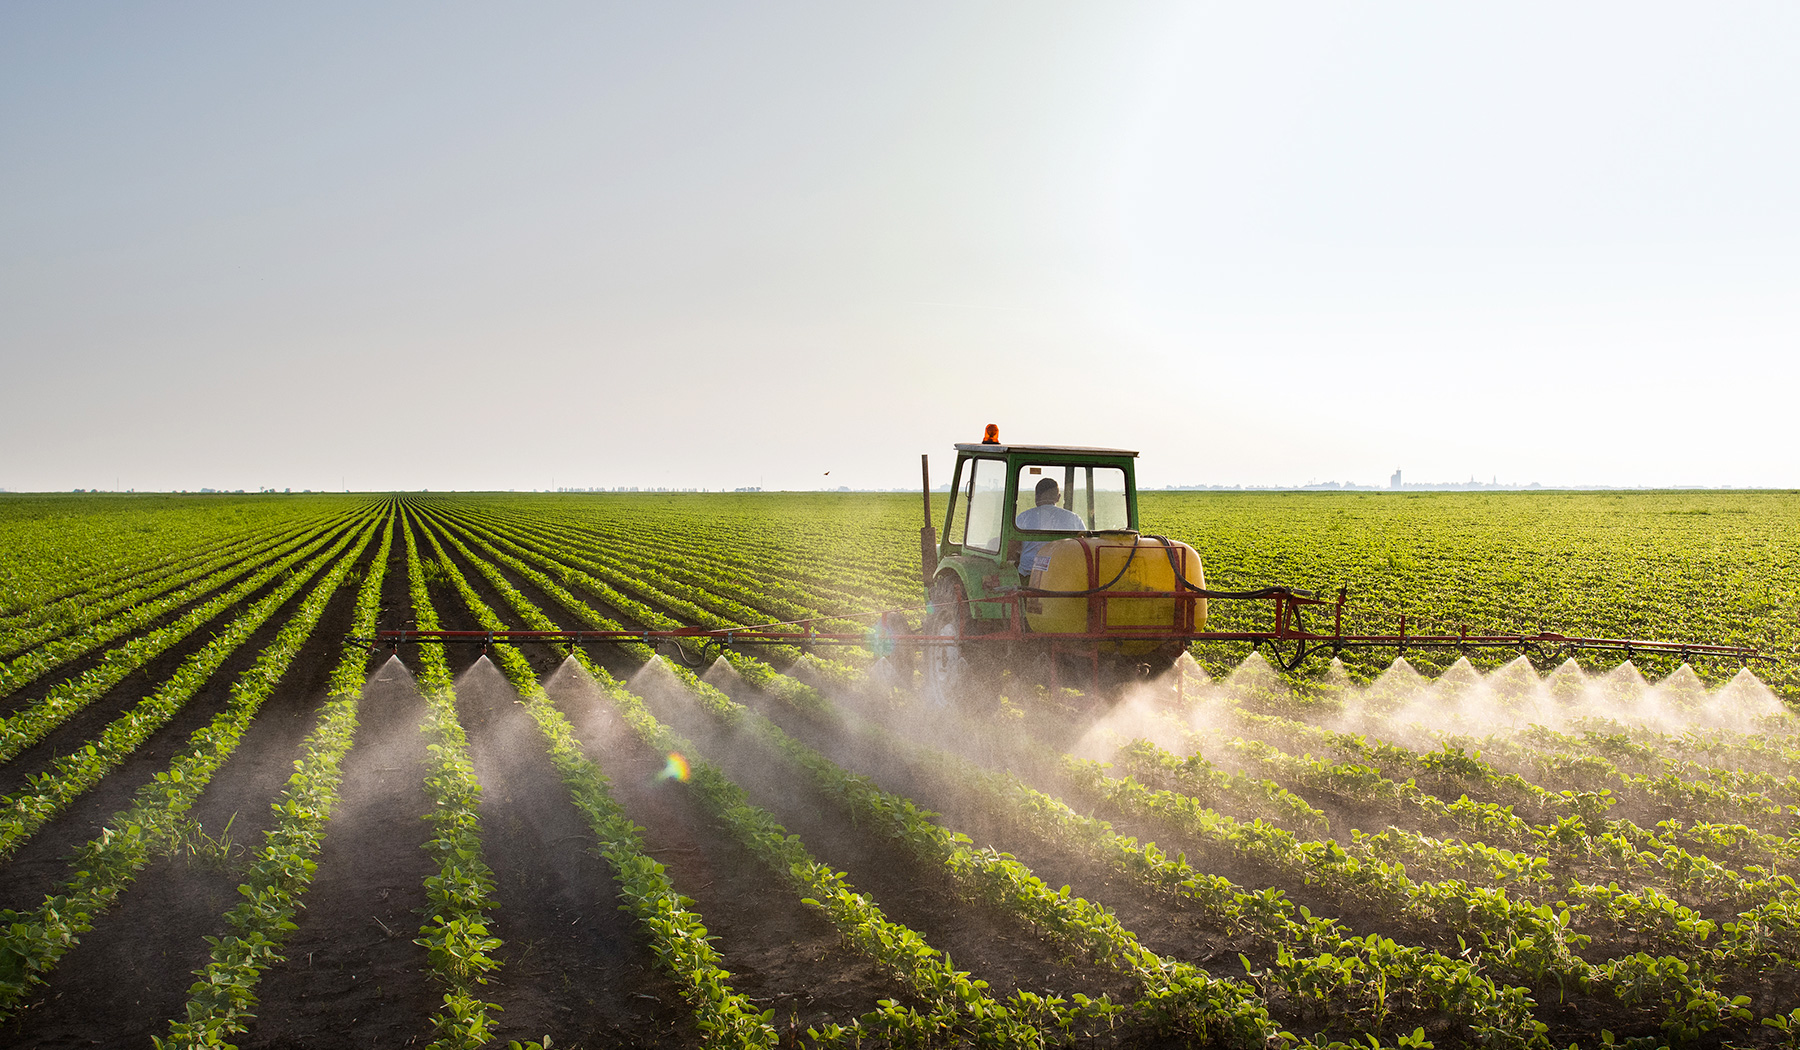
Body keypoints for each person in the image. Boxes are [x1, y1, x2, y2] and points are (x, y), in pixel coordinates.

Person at [1014, 477, 1084, 578]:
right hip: (1064, 575)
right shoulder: (1074, 518)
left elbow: (1012, 546)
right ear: (1058, 497)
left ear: (1036, 497)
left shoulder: (1023, 517)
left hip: (1029, 574)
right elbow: (1083, 543)